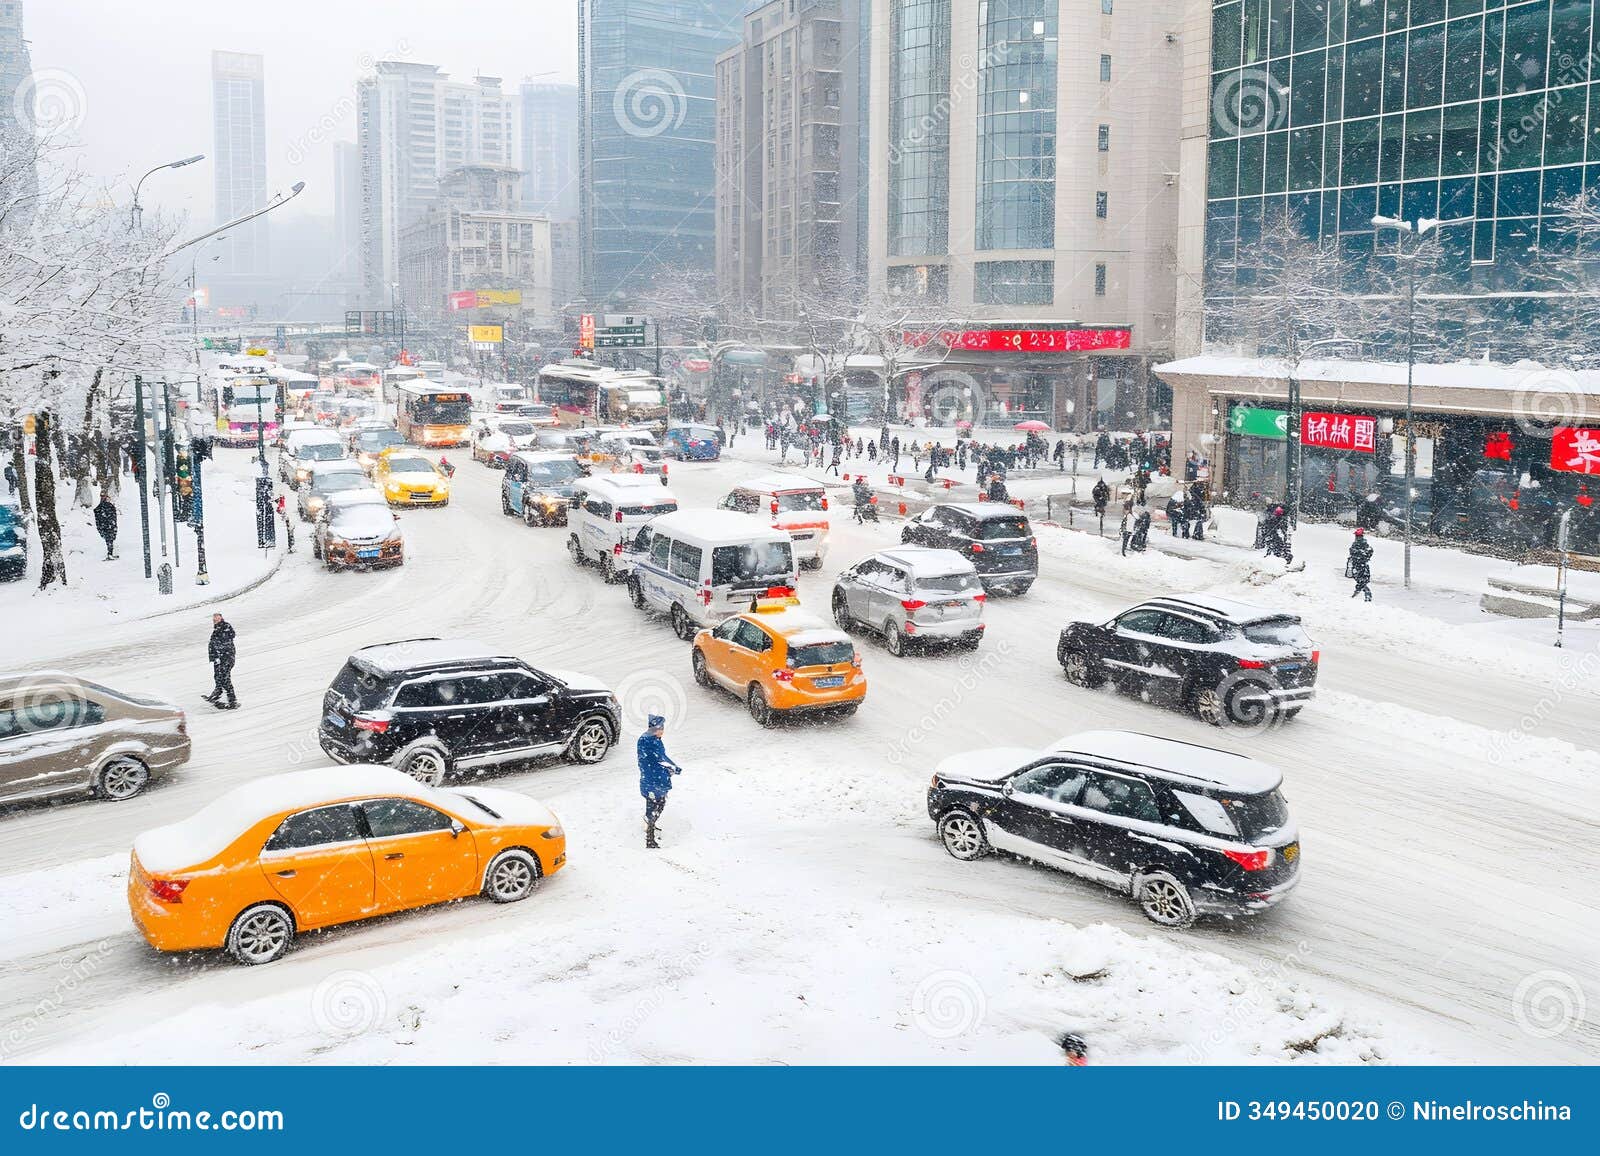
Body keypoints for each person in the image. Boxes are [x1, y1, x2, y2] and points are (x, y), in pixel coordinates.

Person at [637, 714, 682, 849]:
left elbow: (660, 757)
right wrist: (674, 768)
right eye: (660, 728)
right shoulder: (651, 742)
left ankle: (649, 825)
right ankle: (650, 839)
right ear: (655, 729)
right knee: (658, 804)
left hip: (650, 778)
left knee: (652, 804)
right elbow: (661, 759)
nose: (662, 731)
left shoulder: (649, 739)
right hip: (655, 780)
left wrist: (672, 766)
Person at [204, 613, 238, 710]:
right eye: (214, 620)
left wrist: (219, 650)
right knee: (218, 676)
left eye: (217, 619)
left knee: (225, 678)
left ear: (221, 618)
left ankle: (232, 701)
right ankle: (216, 694)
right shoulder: (217, 629)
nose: (215, 621)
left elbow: (228, 638)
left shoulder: (225, 627)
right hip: (219, 658)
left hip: (226, 658)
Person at [1346, 527, 1374, 601]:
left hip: (1359, 565)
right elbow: (1369, 552)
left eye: (1357, 536)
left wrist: (1360, 556)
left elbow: (1354, 552)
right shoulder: (1364, 544)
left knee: (1360, 579)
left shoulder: (1359, 544)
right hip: (1362, 564)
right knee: (1361, 579)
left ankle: (1366, 593)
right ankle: (1359, 592)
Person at [93, 490, 119, 559]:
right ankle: (110, 553)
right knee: (109, 540)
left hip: (107, 526)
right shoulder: (105, 507)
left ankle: (110, 553)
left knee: (109, 540)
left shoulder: (101, 507)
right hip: (108, 526)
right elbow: (112, 517)